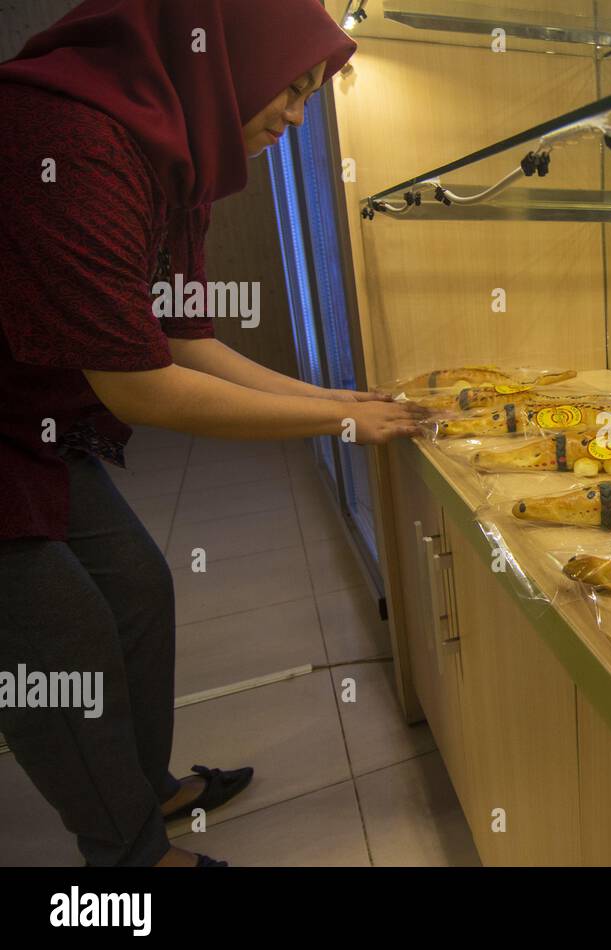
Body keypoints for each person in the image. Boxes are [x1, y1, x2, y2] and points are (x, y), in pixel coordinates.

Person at [0, 0, 423, 867]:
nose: (297, 115)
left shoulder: (180, 153)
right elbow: (140, 384)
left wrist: (333, 396)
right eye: (293, 88)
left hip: (37, 423)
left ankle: (139, 788)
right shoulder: (72, 132)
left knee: (139, 588)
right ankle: (129, 861)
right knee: (61, 634)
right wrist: (340, 417)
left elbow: (190, 339)